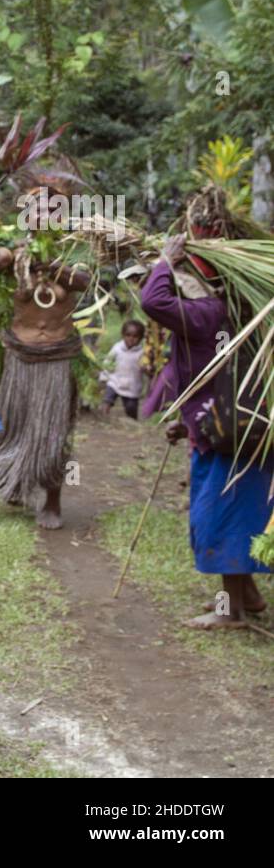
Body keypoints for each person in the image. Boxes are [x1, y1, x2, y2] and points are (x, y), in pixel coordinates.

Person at [141, 233, 269, 629]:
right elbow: (219, 381)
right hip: (230, 430)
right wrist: (187, 422)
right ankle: (248, 596)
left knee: (219, 520)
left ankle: (228, 611)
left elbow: (152, 302)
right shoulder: (227, 314)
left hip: (228, 438)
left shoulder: (207, 313)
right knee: (236, 515)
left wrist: (165, 259)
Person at [0, 174, 92, 529]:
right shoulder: (18, 254)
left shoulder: (75, 249)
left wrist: (56, 267)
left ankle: (52, 500)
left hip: (58, 356)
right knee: (15, 426)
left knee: (54, 430)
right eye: (36, 207)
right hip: (20, 356)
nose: (43, 212)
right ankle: (16, 480)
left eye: (50, 207)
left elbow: (86, 281)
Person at [99, 319, 145, 418]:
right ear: (123, 335)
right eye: (128, 335)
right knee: (107, 399)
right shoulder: (117, 348)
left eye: (135, 336)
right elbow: (108, 361)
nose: (131, 339)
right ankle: (104, 418)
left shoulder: (142, 353)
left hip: (132, 385)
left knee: (131, 407)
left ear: (140, 338)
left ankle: (132, 423)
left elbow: (145, 367)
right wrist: (103, 376)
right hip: (115, 381)